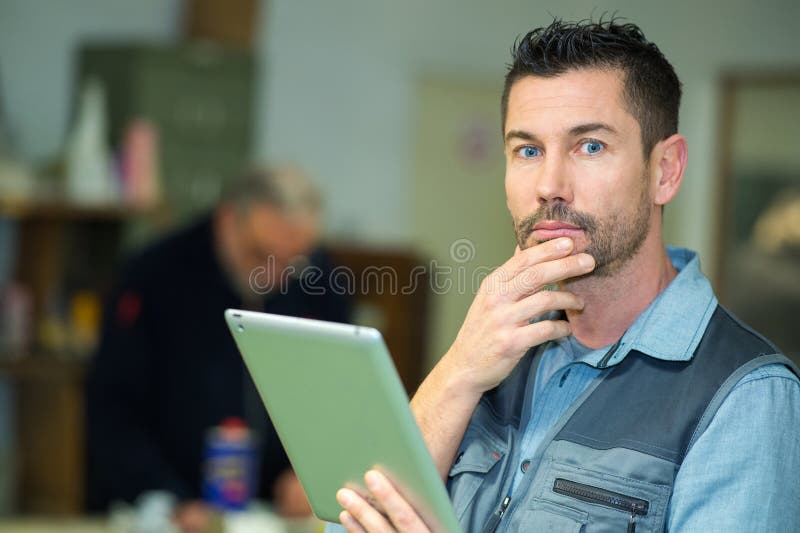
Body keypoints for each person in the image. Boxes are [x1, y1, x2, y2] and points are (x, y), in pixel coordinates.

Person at [329, 18, 800, 532]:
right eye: (528, 151)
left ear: (665, 170)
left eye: (590, 146)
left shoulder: (746, 397)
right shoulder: (492, 348)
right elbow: (348, 522)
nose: (550, 185)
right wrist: (458, 370)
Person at [87, 165, 351, 530]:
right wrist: (168, 496)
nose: (274, 275)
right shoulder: (154, 275)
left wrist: (317, 472)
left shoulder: (316, 277)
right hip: (168, 504)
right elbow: (113, 408)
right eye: (260, 254)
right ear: (227, 220)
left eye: (292, 261)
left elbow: (341, 395)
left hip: (272, 513)